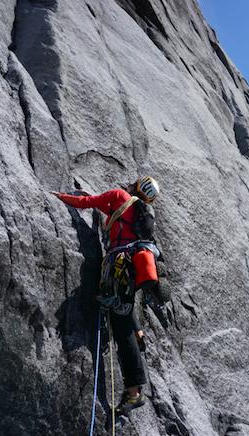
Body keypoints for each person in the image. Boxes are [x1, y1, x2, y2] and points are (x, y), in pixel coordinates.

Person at [52, 176, 160, 415]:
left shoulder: (120, 196)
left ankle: (134, 393)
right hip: (130, 269)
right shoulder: (139, 211)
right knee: (124, 307)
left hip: (118, 267)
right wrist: (84, 195)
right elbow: (105, 208)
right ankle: (139, 331)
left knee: (121, 331)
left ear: (136, 187)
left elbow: (88, 203)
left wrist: (62, 198)